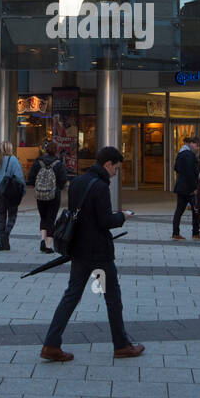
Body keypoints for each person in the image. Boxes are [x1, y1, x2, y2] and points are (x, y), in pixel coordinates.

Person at [40, 145, 144, 363]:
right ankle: (122, 345)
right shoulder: (100, 186)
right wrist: (123, 216)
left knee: (71, 296)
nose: (115, 174)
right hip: (99, 255)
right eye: (115, 169)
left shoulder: (78, 181)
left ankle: (51, 343)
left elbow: (80, 215)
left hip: (78, 250)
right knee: (112, 299)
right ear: (107, 164)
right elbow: (105, 221)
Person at [27, 140, 68, 254]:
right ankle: (49, 246)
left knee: (43, 217)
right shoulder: (58, 164)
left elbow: (31, 178)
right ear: (56, 151)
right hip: (54, 195)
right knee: (51, 219)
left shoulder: (38, 162)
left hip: (40, 194)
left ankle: (42, 240)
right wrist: (58, 187)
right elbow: (63, 180)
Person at [0, 140, 25, 251]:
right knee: (12, 216)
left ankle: (2, 242)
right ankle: (6, 236)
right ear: (10, 148)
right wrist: (22, 193)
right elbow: (20, 178)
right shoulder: (13, 160)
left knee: (1, 216)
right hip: (11, 193)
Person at [171, 134, 200, 238]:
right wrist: (195, 188)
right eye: (197, 146)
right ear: (192, 144)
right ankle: (195, 233)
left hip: (181, 187)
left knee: (179, 210)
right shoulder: (189, 155)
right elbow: (190, 173)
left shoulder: (180, 153)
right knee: (196, 210)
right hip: (189, 189)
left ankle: (175, 233)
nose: (198, 149)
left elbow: (176, 168)